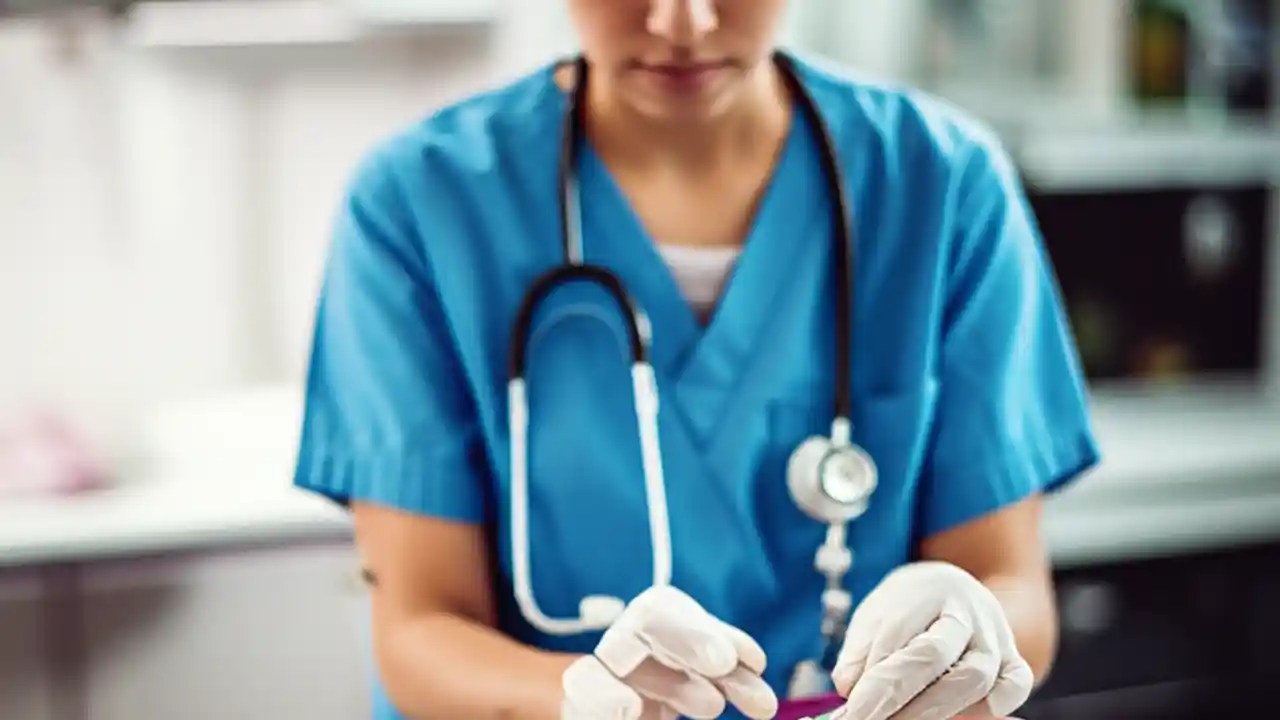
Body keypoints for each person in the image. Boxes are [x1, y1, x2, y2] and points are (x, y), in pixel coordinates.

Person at [292, 1, 1101, 719]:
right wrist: (578, 700)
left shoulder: (942, 183)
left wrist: (969, 627)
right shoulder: (419, 202)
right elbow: (420, 628)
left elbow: (1014, 592)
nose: (684, 22)